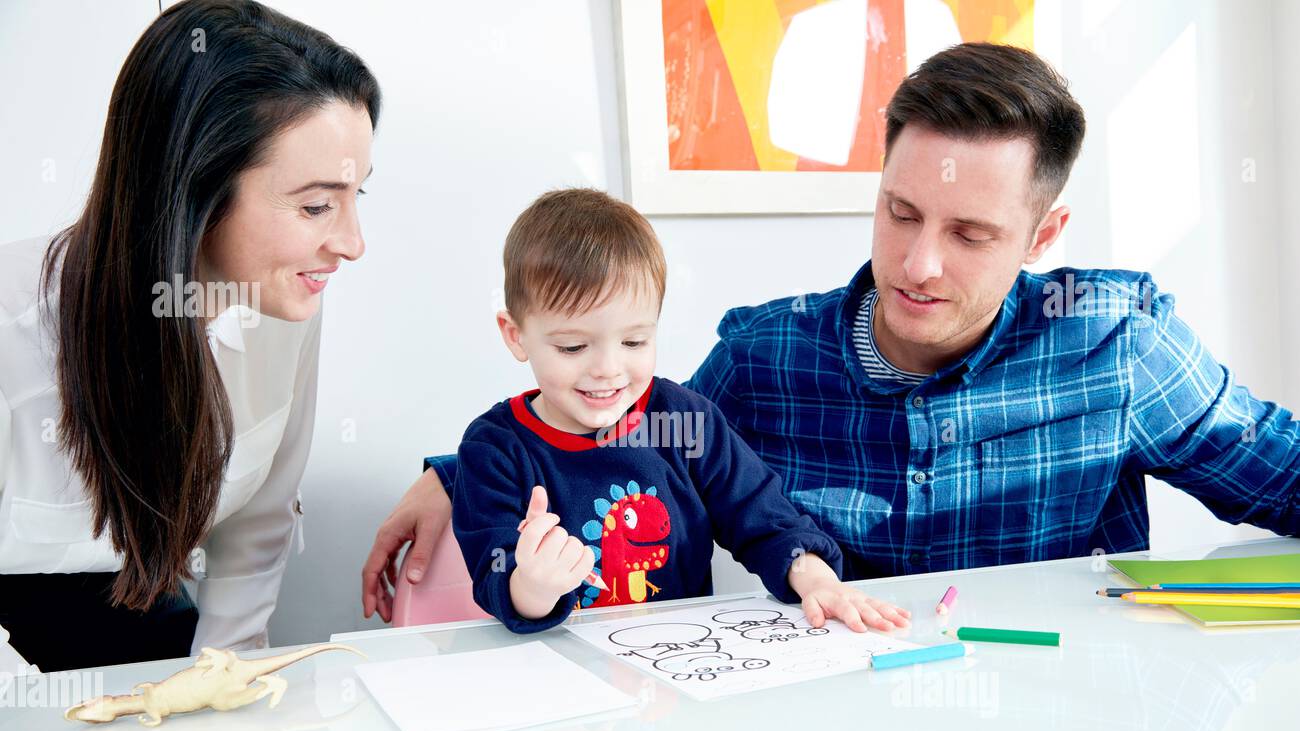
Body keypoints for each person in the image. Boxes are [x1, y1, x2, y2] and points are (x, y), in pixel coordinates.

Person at [363, 42, 1300, 616]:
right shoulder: (764, 358)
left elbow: (1278, 470)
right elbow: (624, 427)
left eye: (972, 233)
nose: (919, 264)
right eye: (899, 212)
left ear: (1042, 236)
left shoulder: (1116, 343)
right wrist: (454, 475)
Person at [0, 0, 378, 671]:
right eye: (317, 206)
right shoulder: (12, 333)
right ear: (193, 187)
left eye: (357, 197)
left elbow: (256, 530)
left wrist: (218, 689)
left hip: (140, 597)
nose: (352, 244)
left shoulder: (282, 300)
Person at [452, 189, 909, 634]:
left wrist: (815, 579)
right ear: (514, 335)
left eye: (634, 342)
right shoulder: (494, 449)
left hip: (680, 662)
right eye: (572, 346)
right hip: (559, 674)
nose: (608, 369)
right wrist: (532, 586)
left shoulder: (685, 422)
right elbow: (494, 574)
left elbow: (766, 518)